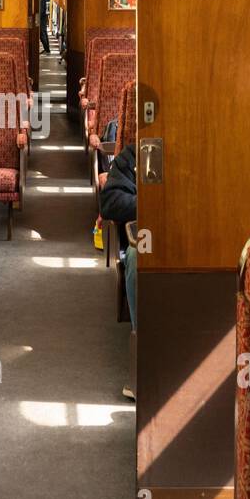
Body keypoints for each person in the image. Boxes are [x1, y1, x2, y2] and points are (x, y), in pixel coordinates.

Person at [98, 144, 137, 399]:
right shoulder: (136, 154)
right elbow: (111, 203)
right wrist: (158, 200)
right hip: (150, 230)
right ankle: (144, 352)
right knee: (137, 256)